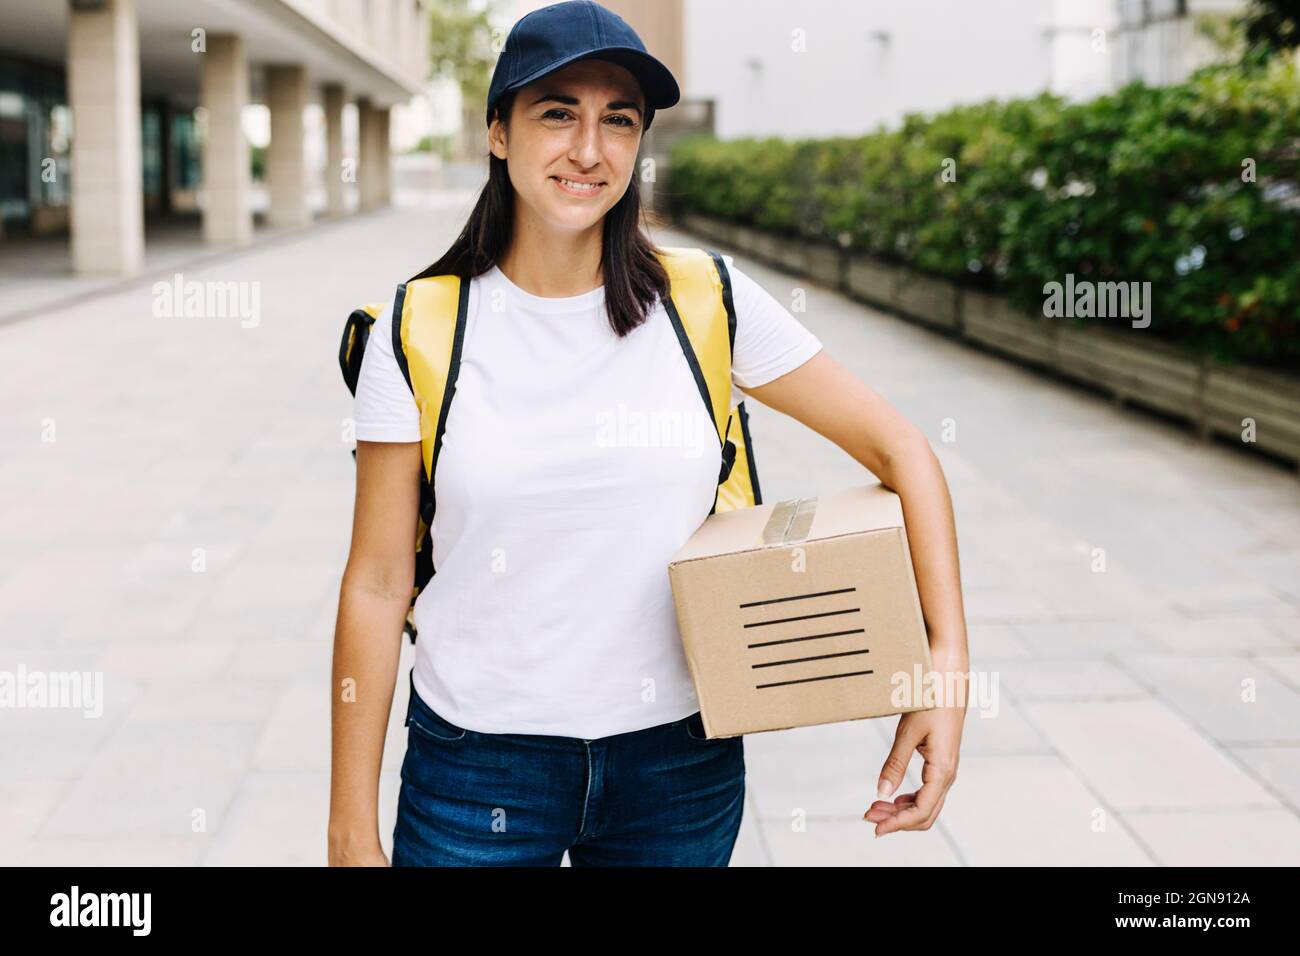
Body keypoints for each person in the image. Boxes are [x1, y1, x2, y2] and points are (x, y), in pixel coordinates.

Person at [328, 0, 969, 867]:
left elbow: (905, 453)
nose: (590, 149)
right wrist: (348, 831)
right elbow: (374, 582)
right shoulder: (416, 327)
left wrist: (942, 668)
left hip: (678, 765)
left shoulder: (707, 298)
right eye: (558, 112)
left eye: (618, 121)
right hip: (478, 768)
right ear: (498, 134)